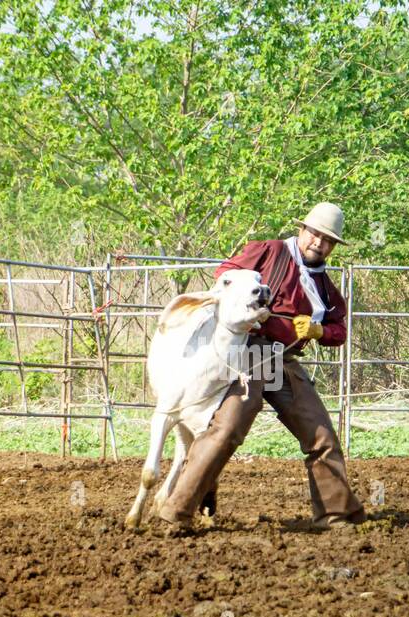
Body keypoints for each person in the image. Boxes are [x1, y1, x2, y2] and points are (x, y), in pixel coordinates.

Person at [157, 202, 367, 532]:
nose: (319, 243)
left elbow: (339, 330)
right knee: (227, 429)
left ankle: (335, 515)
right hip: (251, 351)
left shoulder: (324, 288)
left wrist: (319, 331)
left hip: (283, 360)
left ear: (333, 246)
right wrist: (250, 303)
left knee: (321, 435)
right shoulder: (268, 252)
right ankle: (178, 510)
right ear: (303, 231)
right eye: (315, 234)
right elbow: (224, 275)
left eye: (327, 240)